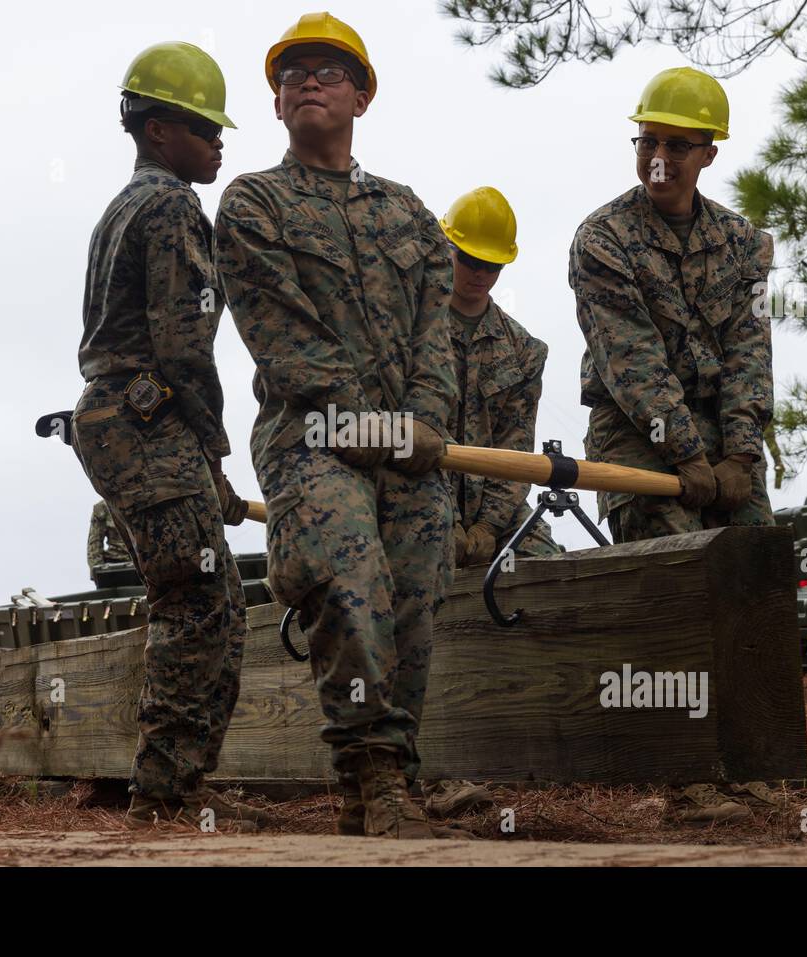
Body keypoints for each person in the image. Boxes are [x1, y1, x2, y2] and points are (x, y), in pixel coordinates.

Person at [215, 12, 457, 838]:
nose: (307, 81)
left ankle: (385, 774)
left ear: (362, 95)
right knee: (348, 585)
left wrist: (423, 421)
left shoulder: (411, 214)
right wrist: (364, 421)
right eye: (292, 75)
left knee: (417, 598)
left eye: (327, 70)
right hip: (312, 439)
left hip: (409, 450)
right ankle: (375, 772)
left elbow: (437, 333)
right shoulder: (252, 204)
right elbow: (283, 336)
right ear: (278, 107)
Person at [71, 41, 263, 830]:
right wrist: (216, 451)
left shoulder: (125, 205)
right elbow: (185, 344)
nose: (220, 142)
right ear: (157, 130)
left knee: (205, 594)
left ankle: (179, 782)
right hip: (149, 419)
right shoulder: (173, 207)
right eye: (204, 127)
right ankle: (164, 794)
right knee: (197, 602)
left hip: (125, 419)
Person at [571, 67, 776, 544]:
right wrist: (686, 454)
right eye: (647, 143)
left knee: (756, 567)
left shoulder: (744, 243)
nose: (659, 159)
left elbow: (750, 349)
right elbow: (632, 360)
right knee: (674, 572)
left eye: (677, 146)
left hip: (725, 439)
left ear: (709, 154)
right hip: (640, 435)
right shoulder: (603, 239)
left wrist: (742, 455)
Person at [440, 186, 563, 566]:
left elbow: (515, 448)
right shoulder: (408, 328)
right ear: (447, 249)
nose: (479, 273)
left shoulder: (524, 351)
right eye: (470, 259)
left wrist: (488, 528)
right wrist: (449, 518)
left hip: (496, 511)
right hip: (415, 494)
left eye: (492, 265)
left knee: (551, 571)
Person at [86, 499, 131, 571]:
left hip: (145, 563)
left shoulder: (145, 500)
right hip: (116, 564)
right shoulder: (103, 508)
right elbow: (94, 545)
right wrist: (99, 573)